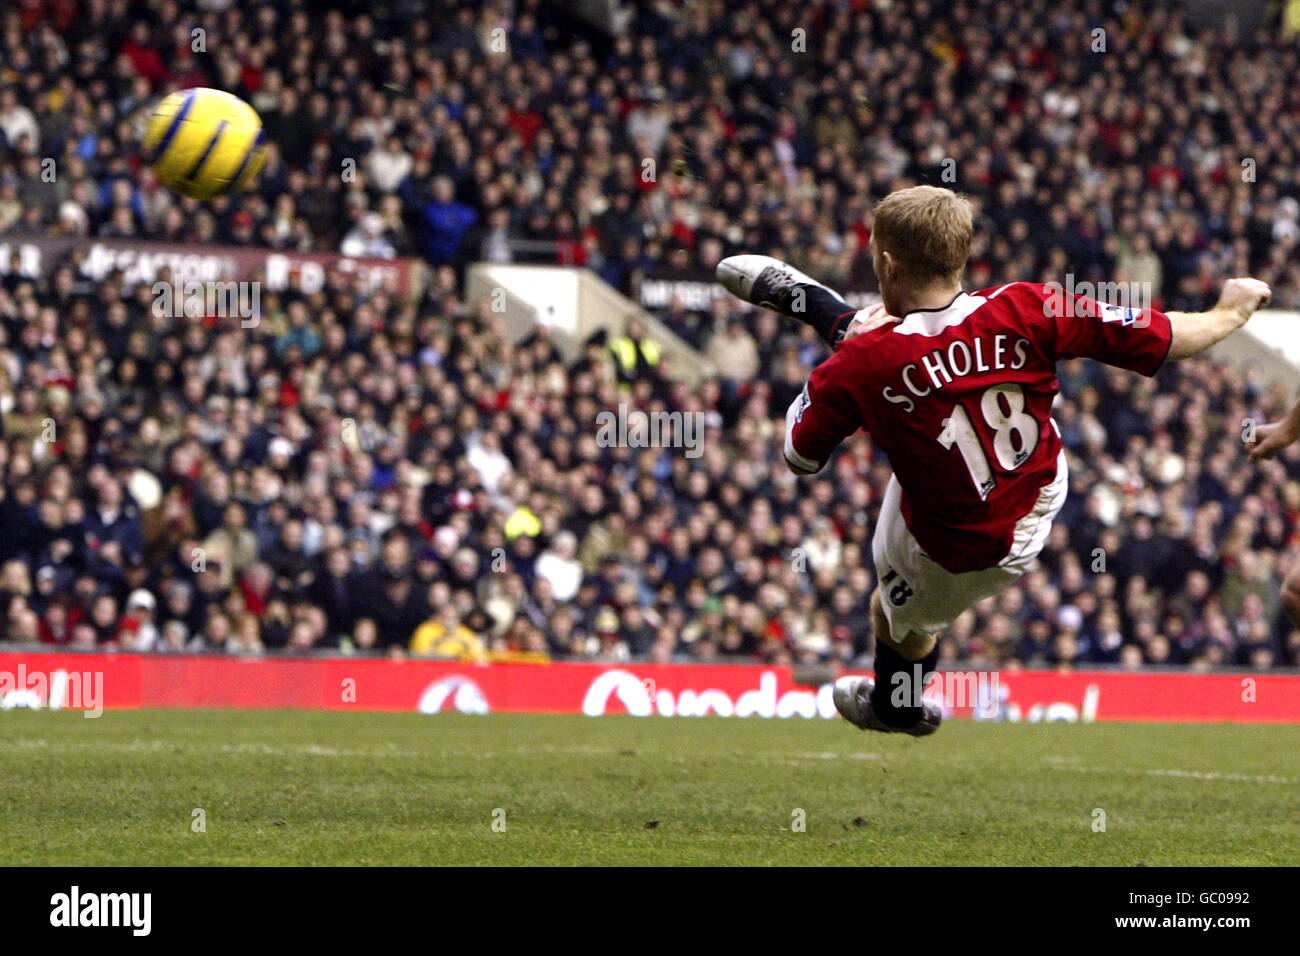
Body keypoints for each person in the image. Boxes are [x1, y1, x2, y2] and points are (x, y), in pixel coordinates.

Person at [717, 185, 1272, 736]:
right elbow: (1169, 334)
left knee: (894, 619)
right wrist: (1231, 312)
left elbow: (799, 455)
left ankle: (897, 710)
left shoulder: (863, 363)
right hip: (1039, 485)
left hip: (958, 544)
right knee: (898, 587)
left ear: (887, 264)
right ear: (960, 257)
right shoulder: (1032, 304)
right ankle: (829, 314)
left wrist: (843, 347)